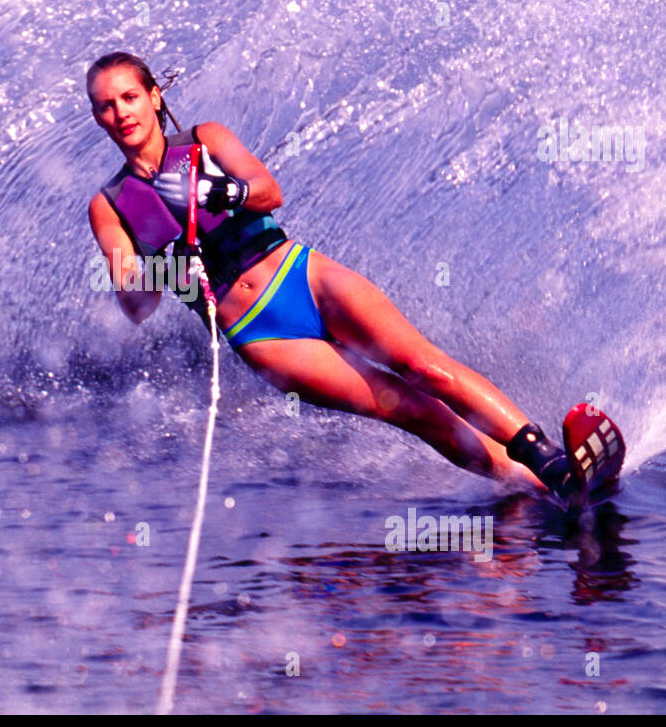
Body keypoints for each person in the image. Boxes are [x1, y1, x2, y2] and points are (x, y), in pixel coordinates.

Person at [85, 51, 573, 495]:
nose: (121, 112)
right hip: (260, 334)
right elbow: (136, 305)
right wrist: (163, 264)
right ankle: (537, 488)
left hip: (303, 277)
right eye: (106, 106)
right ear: (97, 117)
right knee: (407, 408)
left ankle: (548, 458)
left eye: (130, 97)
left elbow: (269, 191)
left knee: (424, 367)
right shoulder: (110, 205)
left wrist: (227, 193)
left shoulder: (205, 140)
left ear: (153, 97)